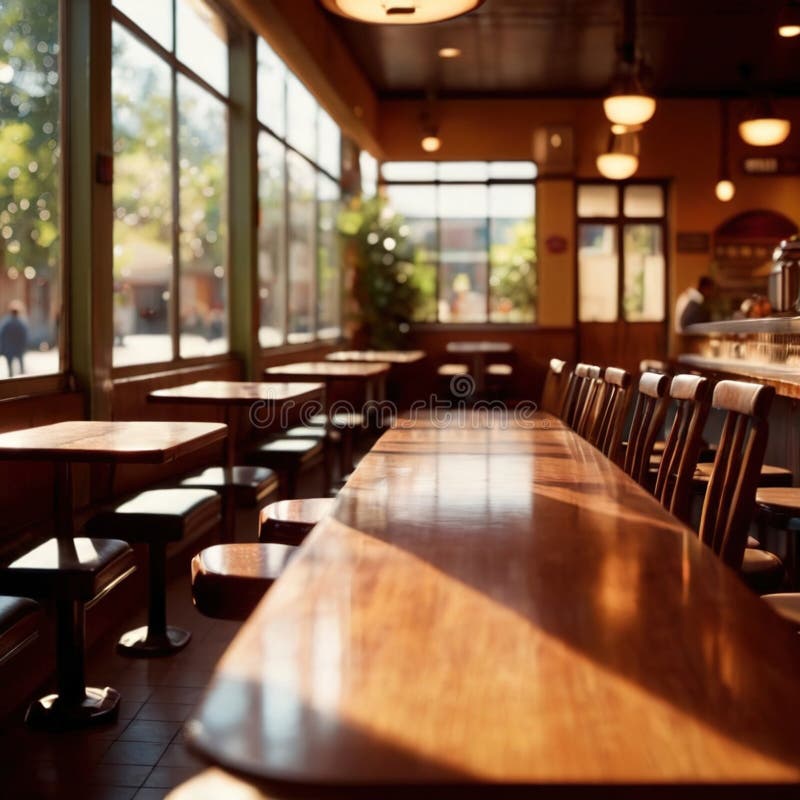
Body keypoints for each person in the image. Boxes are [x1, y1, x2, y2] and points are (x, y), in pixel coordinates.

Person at [0, 301, 29, 376]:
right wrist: (24, 346)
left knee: (10, 370)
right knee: (21, 366)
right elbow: (24, 336)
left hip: (9, 349)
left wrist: (3, 348)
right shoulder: (21, 323)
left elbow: (2, 336)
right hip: (18, 348)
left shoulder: (6, 322)